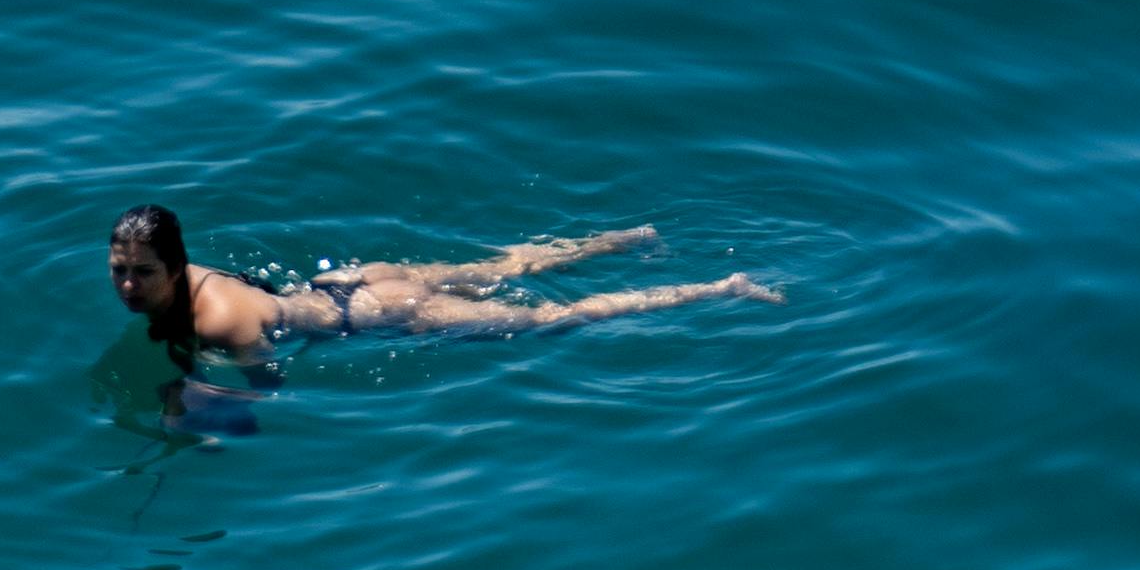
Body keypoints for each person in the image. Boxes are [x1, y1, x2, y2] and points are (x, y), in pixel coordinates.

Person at [105, 201, 780, 359]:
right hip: (359, 278)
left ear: (170, 266)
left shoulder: (218, 320)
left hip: (376, 314)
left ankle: (720, 288)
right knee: (509, 265)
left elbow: (264, 386)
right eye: (119, 272)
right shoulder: (191, 270)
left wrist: (190, 405)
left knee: (557, 317)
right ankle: (628, 238)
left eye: (141, 274)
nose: (127, 286)